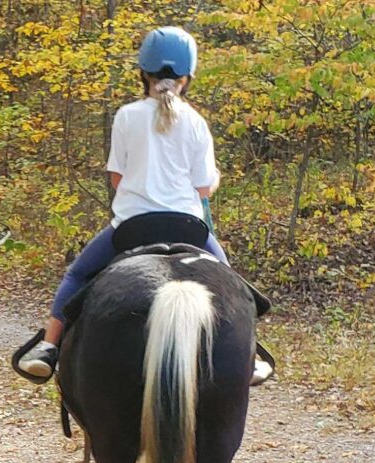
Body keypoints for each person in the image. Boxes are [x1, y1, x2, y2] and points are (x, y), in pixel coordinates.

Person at [16, 27, 269, 385]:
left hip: (132, 226)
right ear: (187, 78)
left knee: (76, 275)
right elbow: (203, 188)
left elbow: (117, 179)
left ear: (144, 74)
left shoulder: (127, 116)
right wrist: (215, 179)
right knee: (232, 285)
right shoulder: (196, 122)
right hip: (189, 229)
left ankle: (48, 347)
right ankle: (251, 354)